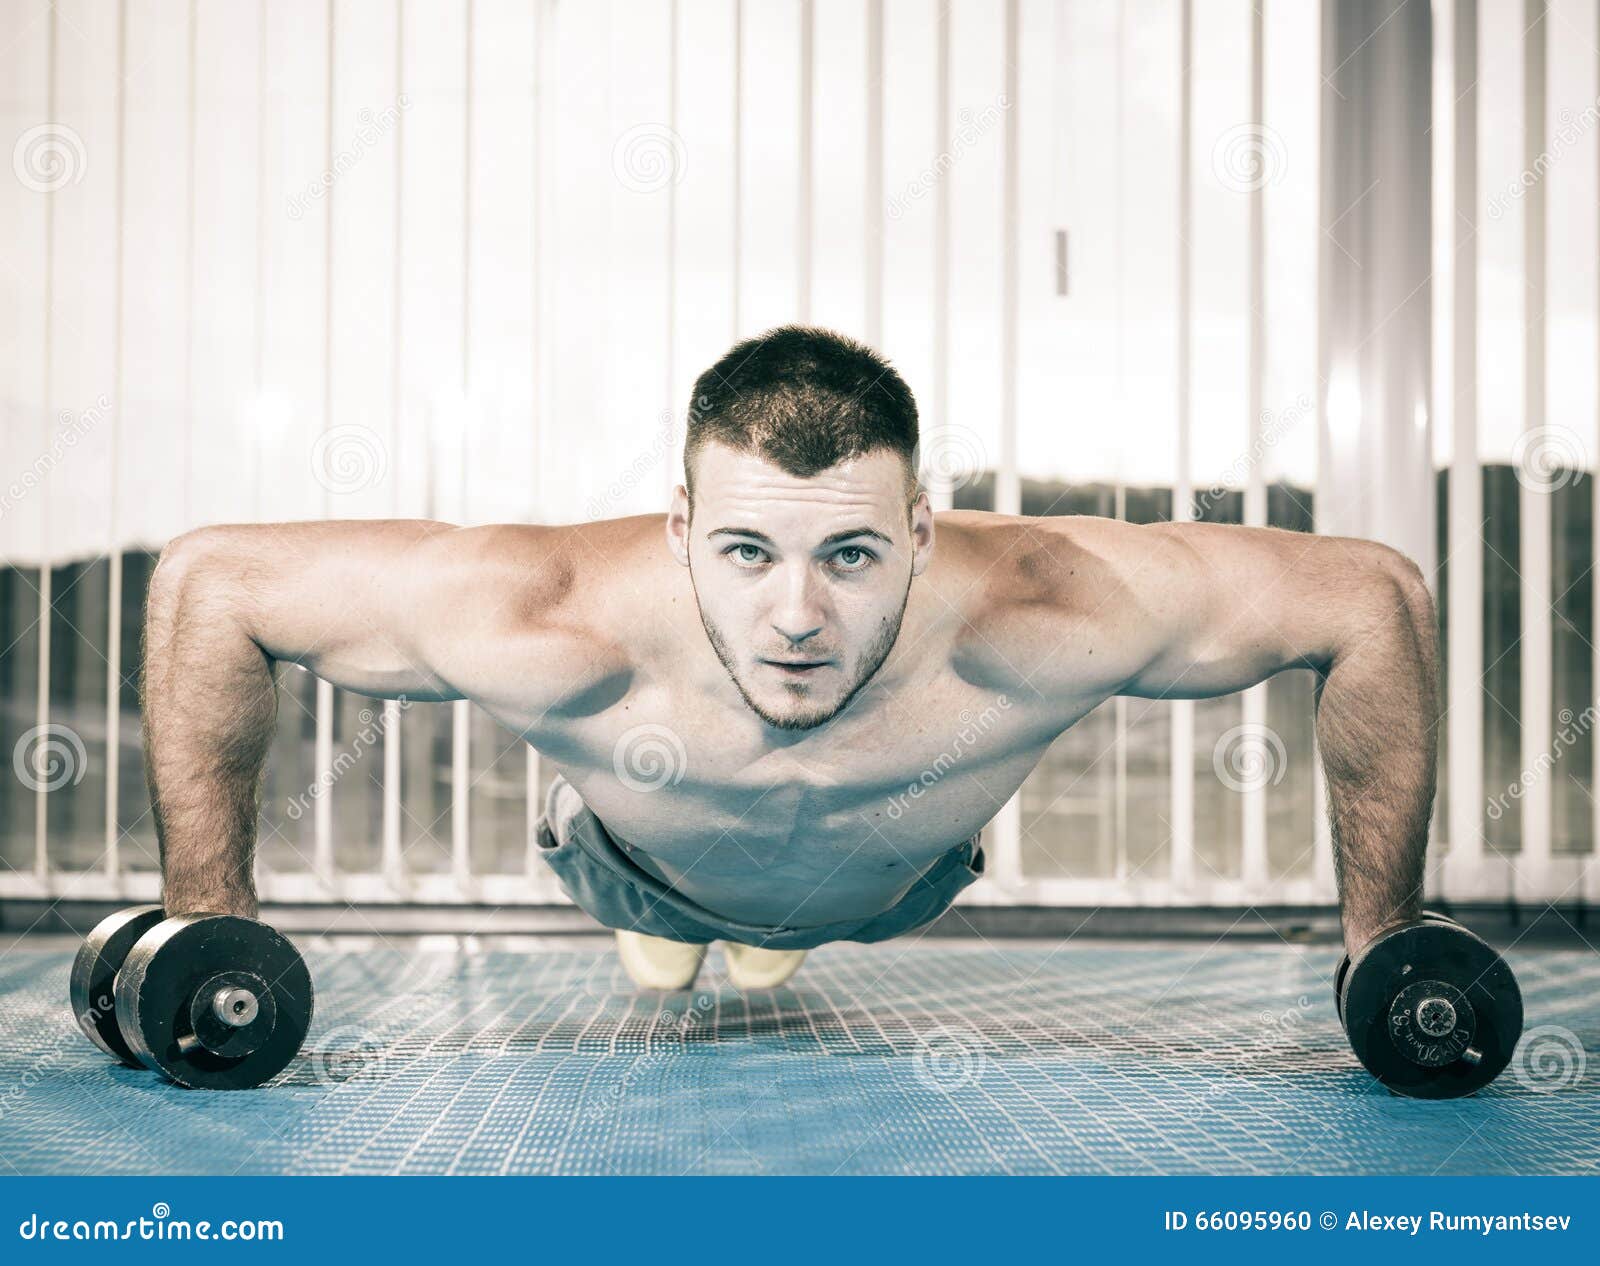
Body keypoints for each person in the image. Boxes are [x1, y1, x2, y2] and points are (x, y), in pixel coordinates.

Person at [141, 325, 1439, 992]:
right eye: (749, 552)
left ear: (922, 531)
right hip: (635, 871)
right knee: (667, 906)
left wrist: (1384, 939)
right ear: (681, 528)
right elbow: (211, 582)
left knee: (797, 909)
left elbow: (1370, 599)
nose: (800, 617)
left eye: (855, 556)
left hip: (893, 886)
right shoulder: (547, 615)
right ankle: (696, 937)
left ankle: (770, 943)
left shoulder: (1050, 607)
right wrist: (212, 925)